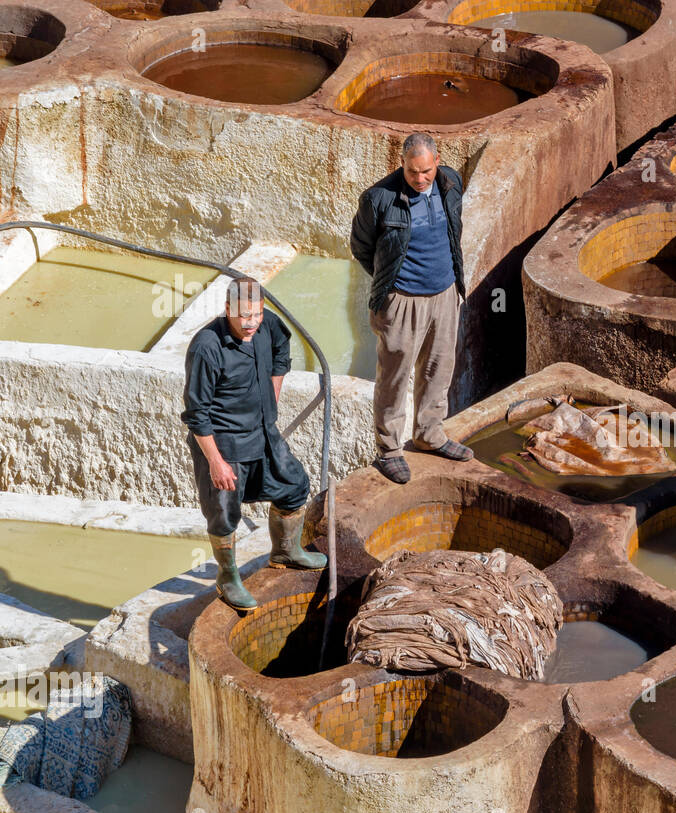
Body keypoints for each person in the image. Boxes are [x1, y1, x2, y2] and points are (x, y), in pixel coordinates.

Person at [181, 277, 328, 611]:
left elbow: (281, 350)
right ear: (228, 309)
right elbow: (197, 413)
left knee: (294, 485)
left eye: (256, 315)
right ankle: (228, 578)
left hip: (263, 432)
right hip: (224, 442)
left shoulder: (267, 325)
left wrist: (273, 393)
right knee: (224, 514)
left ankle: (286, 551)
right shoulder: (207, 347)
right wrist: (216, 462)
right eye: (243, 316)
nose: (250, 323)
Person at [350, 131, 472, 485]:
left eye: (426, 171)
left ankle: (430, 434)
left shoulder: (450, 184)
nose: (420, 179)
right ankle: (388, 451)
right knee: (394, 376)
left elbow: (453, 233)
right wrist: (390, 285)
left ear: (437, 162)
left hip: (445, 294)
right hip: (401, 300)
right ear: (401, 164)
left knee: (439, 367)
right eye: (412, 172)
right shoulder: (379, 198)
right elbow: (361, 247)